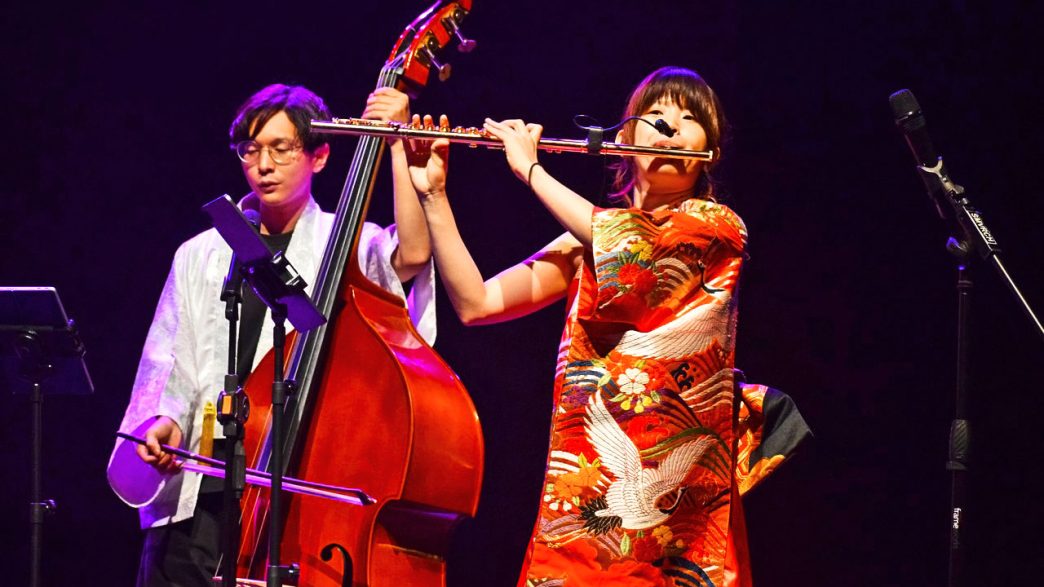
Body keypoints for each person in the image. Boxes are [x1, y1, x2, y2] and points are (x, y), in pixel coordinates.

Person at [406, 66, 809, 586]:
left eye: (689, 118)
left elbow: (626, 244)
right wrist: (433, 195)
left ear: (709, 148)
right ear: (623, 141)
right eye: (657, 115)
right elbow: (476, 302)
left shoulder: (717, 228)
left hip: (680, 511)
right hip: (585, 494)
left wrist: (530, 170)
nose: (672, 127)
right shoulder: (585, 247)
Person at [106, 83, 433, 586]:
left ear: (319, 156)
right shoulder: (201, 252)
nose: (263, 164)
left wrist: (393, 139)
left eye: (281, 149)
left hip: (296, 488)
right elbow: (169, 356)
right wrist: (163, 419)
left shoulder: (348, 241)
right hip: (204, 486)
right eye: (250, 151)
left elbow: (411, 255)